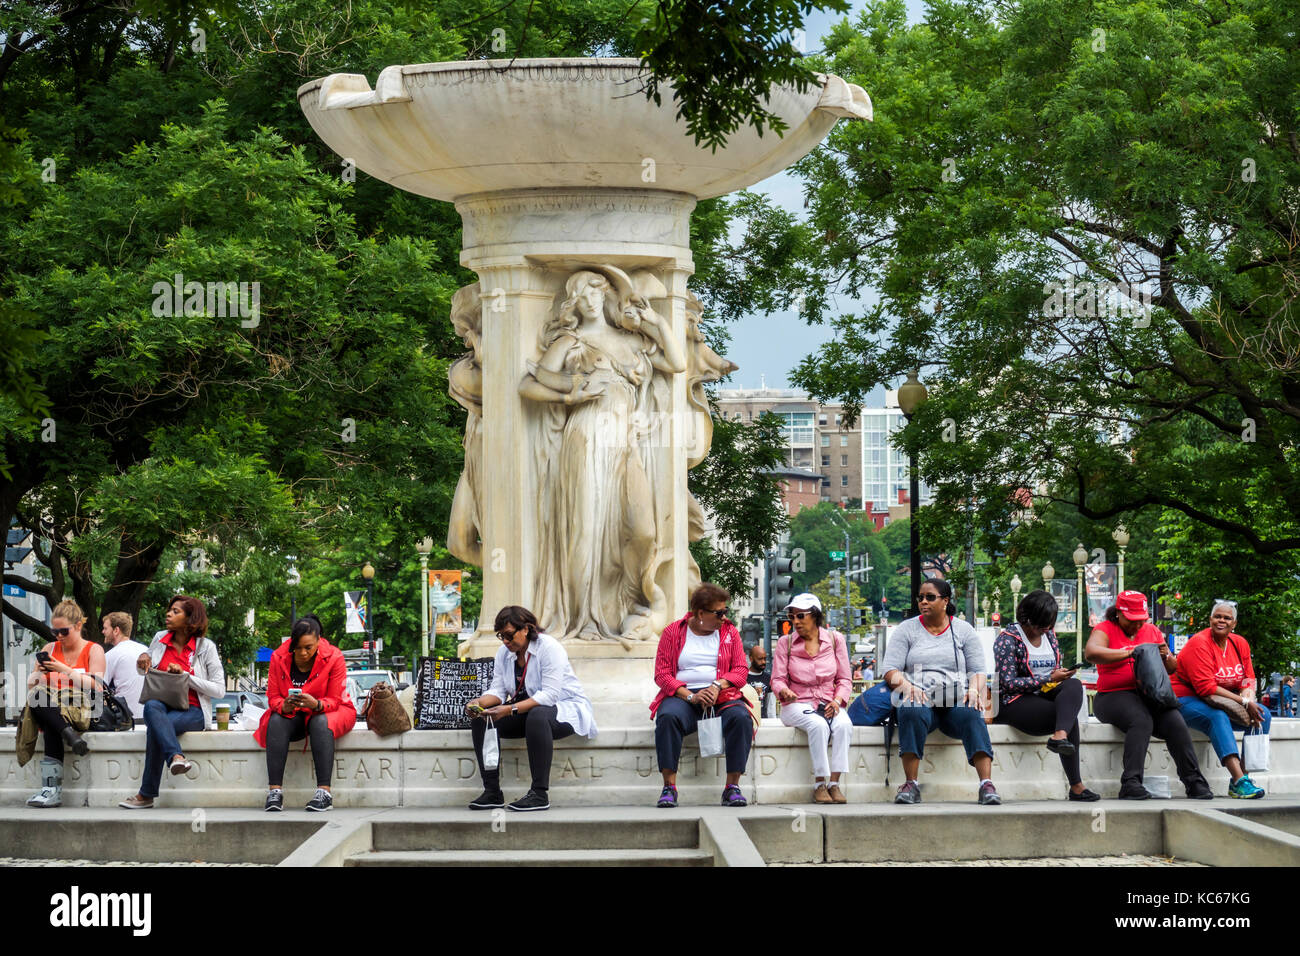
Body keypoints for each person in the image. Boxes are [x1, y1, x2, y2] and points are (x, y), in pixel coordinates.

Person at [464, 605, 597, 812]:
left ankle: (539, 793)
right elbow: (498, 691)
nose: (505, 642)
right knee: (483, 719)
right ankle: (492, 792)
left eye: (509, 635)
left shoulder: (549, 647)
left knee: (537, 715)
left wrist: (508, 710)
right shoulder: (504, 653)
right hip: (525, 711)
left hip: (564, 710)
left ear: (526, 628)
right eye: (501, 636)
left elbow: (550, 695)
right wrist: (478, 703)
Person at [881, 578, 999, 805]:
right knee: (910, 709)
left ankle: (987, 784)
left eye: (930, 597)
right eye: (920, 598)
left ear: (945, 601)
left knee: (972, 712)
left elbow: (978, 670)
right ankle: (910, 785)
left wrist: (974, 690)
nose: (923, 602)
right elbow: (890, 670)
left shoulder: (964, 630)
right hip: (921, 698)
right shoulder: (907, 629)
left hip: (953, 699)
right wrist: (907, 686)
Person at [1086, 591, 1211, 800]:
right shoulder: (1104, 629)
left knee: (1175, 721)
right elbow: (1091, 653)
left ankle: (1194, 781)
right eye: (1132, 620)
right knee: (1141, 720)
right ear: (1119, 613)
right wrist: (1130, 651)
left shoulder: (1152, 631)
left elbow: (1172, 668)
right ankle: (1131, 783)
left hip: (1149, 693)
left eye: (1141, 620)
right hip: (1112, 695)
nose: (1137, 625)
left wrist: (1166, 655)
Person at [119, 595, 225, 809]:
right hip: (162, 705)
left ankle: (146, 795)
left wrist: (185, 676)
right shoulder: (160, 639)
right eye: (169, 610)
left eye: (176, 611)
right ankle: (176, 756)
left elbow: (219, 690)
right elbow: (145, 669)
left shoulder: (206, 648)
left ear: (190, 619)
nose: (168, 613)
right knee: (151, 707)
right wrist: (142, 661)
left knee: (156, 730)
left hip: (193, 711)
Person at [650, 583, 751, 808]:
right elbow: (662, 674)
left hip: (721, 694)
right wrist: (690, 696)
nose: (724, 617)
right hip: (683, 696)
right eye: (719, 613)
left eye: (725, 612)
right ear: (700, 613)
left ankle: (732, 787)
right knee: (667, 717)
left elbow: (741, 670)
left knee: (741, 718)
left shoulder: (730, 633)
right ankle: (669, 787)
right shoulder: (673, 632)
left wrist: (717, 685)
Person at [993, 590, 1100, 801]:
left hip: (1043, 694)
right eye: (1041, 625)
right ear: (1027, 619)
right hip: (1014, 701)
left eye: (1049, 625)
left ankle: (1059, 737)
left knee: (1074, 685)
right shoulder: (1007, 641)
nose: (1046, 630)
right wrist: (1046, 678)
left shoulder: (1049, 636)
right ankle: (1076, 786)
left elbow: (1054, 672)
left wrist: (1060, 676)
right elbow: (1008, 683)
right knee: (1068, 719)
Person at [255, 615, 357, 811]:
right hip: (296, 712)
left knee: (320, 722)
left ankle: (324, 793)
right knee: (275, 720)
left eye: (308, 647)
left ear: (319, 641)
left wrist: (317, 704)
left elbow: (335, 699)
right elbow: (273, 697)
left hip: (331, 709)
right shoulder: (278, 657)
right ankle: (274, 793)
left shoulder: (334, 657)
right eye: (298, 647)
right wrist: (283, 706)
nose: (302, 652)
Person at [1171, 601, 1268, 799]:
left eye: (1227, 618)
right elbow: (1205, 688)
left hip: (1221, 698)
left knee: (1263, 714)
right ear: (1210, 620)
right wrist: (1243, 702)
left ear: (1234, 624)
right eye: (1217, 617)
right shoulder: (1199, 643)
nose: (1221, 621)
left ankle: (1241, 780)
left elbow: (1248, 678)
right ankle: (1240, 780)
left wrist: (1248, 698)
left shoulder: (1239, 643)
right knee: (1217, 717)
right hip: (1185, 698)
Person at [22, 600, 107, 808]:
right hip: (56, 711)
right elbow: (31, 686)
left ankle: (51, 790)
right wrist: (37, 673)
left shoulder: (93, 650)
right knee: (38, 698)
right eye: (55, 631)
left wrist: (64, 669)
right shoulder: (50, 648)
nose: (59, 636)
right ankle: (68, 735)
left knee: (51, 717)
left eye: (64, 631)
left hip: (82, 709)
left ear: (78, 626)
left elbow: (97, 688)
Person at [771, 593, 853, 803]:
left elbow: (844, 679)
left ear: (814, 616)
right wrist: (784, 691)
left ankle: (834, 783)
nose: (795, 621)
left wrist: (837, 701)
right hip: (797, 703)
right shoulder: (785, 643)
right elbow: (777, 679)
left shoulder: (835, 640)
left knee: (844, 724)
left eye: (800, 616)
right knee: (818, 725)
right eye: (792, 616)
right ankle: (819, 783)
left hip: (827, 701)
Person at [101, 611, 148, 719]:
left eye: (105, 628)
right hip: (148, 715)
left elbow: (99, 687)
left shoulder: (111, 655)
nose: (103, 631)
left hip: (124, 717)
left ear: (116, 630)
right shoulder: (146, 650)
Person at [747, 642, 773, 716]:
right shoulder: (743, 677)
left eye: (765, 658)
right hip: (747, 719)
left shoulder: (768, 678)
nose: (763, 662)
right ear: (751, 659)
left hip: (764, 721)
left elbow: (771, 704)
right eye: (760, 659)